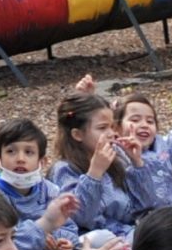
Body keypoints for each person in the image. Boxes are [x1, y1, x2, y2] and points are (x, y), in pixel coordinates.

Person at [110, 77, 172, 221]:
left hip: (170, 212)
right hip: (140, 221)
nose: (144, 124)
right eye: (135, 120)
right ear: (116, 127)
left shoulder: (162, 147)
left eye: (150, 121)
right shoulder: (115, 155)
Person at [48, 91, 131, 240]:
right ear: (77, 135)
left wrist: (139, 164)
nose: (111, 133)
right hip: (92, 243)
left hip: (127, 232)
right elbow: (81, 217)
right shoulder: (64, 170)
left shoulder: (117, 159)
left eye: (112, 127)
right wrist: (94, 174)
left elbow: (142, 206)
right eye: (102, 128)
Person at [0, 118, 59, 223]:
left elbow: (67, 226)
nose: (20, 159)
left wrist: (60, 238)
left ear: (42, 161)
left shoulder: (49, 192)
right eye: (11, 151)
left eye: (28, 152)